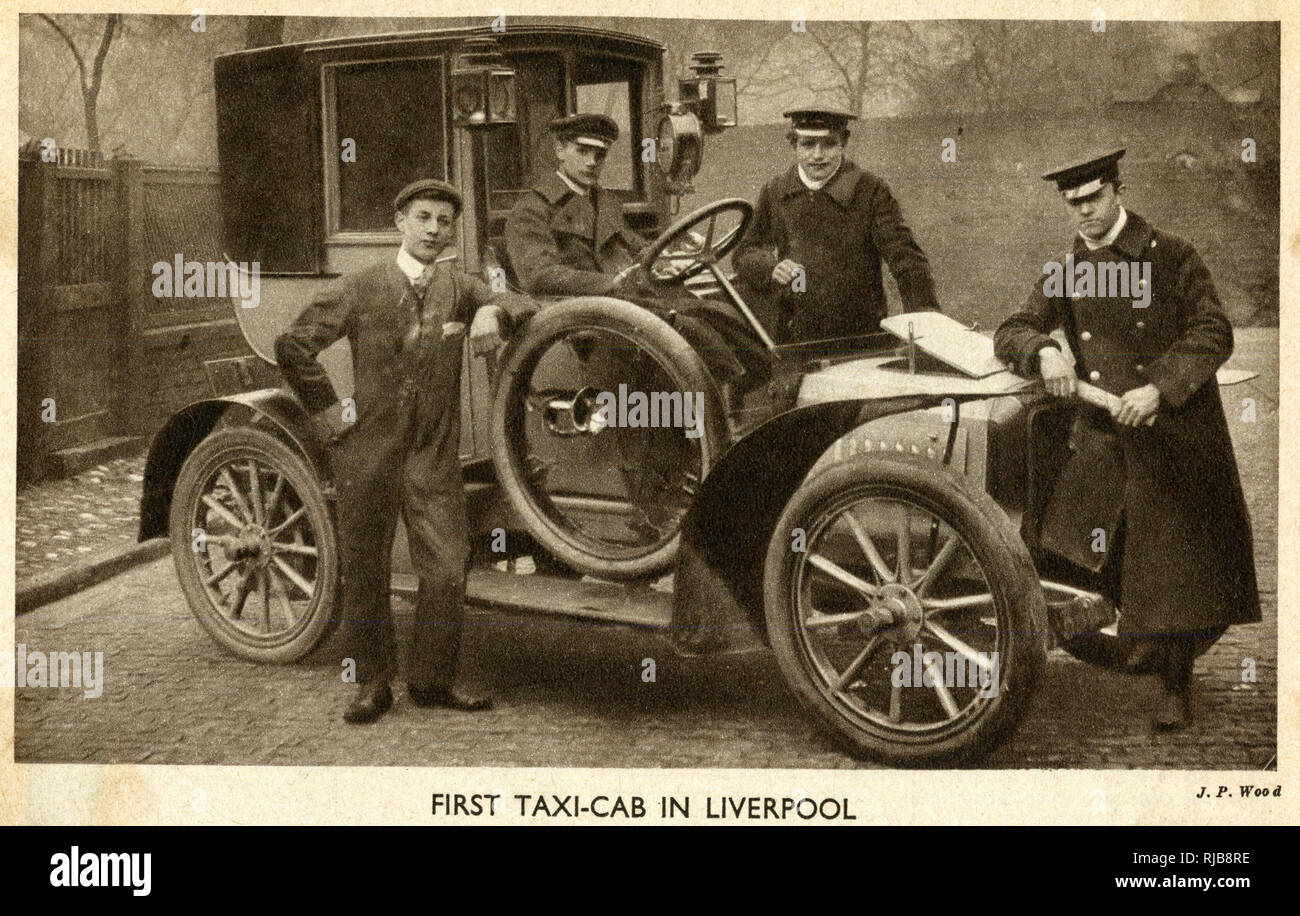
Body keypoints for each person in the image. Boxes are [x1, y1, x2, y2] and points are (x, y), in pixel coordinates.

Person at [994, 148, 1261, 730]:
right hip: (1104, 435)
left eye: (1093, 199)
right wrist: (1041, 351)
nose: (1085, 214)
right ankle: (1119, 647)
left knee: (1173, 567)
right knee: (1079, 550)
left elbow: (1214, 330)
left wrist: (1159, 389)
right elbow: (1011, 329)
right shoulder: (1065, 268)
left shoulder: (1171, 255)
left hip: (1174, 435)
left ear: (1117, 191)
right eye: (1074, 205)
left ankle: (1174, 687)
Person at [275, 179, 536, 725]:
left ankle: (431, 681)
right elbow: (293, 345)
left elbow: (520, 300)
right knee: (365, 570)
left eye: (444, 222)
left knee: (445, 569)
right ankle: (373, 683)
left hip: (432, 455)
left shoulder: (460, 290)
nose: (434, 231)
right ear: (400, 222)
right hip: (366, 453)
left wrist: (493, 313)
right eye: (424, 218)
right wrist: (330, 415)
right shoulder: (361, 287)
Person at [504, 112, 768, 400]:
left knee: (717, 310)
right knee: (688, 326)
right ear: (560, 151)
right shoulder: (531, 209)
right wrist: (610, 282)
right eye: (583, 151)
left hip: (625, 301)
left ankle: (752, 393)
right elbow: (540, 276)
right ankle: (720, 408)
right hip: (583, 316)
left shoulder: (604, 201)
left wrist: (669, 253)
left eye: (600, 155)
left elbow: (632, 245)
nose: (592, 162)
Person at [732, 108, 940, 346]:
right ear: (794, 145)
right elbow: (744, 252)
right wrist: (771, 268)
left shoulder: (870, 191)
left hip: (861, 340)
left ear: (844, 143)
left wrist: (927, 329)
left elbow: (907, 260)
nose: (817, 156)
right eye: (808, 145)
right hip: (794, 339)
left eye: (829, 144)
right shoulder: (776, 191)